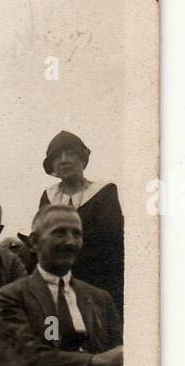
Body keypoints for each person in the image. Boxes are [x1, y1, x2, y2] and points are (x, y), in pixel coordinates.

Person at [0, 204, 122, 366]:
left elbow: (118, 349)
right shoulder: (13, 296)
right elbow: (30, 357)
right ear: (34, 242)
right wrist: (96, 360)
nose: (70, 242)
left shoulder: (100, 298)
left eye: (76, 234)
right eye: (59, 232)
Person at [38, 131, 124, 309]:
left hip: (98, 281)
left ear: (83, 160)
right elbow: (42, 237)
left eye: (70, 154)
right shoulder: (49, 196)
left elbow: (110, 241)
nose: (64, 160)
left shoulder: (104, 192)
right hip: (57, 281)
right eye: (57, 157)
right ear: (52, 166)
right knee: (52, 328)